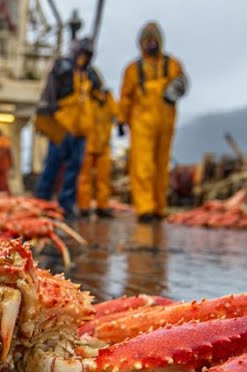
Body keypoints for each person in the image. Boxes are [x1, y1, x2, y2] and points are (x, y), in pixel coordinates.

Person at [120, 21, 188, 222]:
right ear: (141, 43)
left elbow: (184, 83)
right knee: (143, 165)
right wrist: (121, 121)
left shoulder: (172, 64)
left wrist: (176, 89)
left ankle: (159, 207)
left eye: (154, 40)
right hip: (141, 123)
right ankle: (145, 208)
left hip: (166, 122)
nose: (151, 44)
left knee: (161, 166)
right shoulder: (133, 69)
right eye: (147, 41)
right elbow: (125, 96)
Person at [35, 37, 102, 219]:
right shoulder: (62, 68)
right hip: (62, 126)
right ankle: (41, 202)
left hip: (81, 129)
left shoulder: (89, 74)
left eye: (89, 54)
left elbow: (98, 95)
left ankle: (66, 205)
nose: (85, 57)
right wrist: (46, 115)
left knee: (74, 169)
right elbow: (50, 91)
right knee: (52, 165)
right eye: (84, 53)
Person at [78, 87, 120, 218]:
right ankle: (83, 207)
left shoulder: (109, 99)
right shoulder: (86, 99)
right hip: (88, 144)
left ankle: (103, 206)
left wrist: (121, 124)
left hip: (104, 145)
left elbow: (117, 114)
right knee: (84, 178)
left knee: (104, 178)